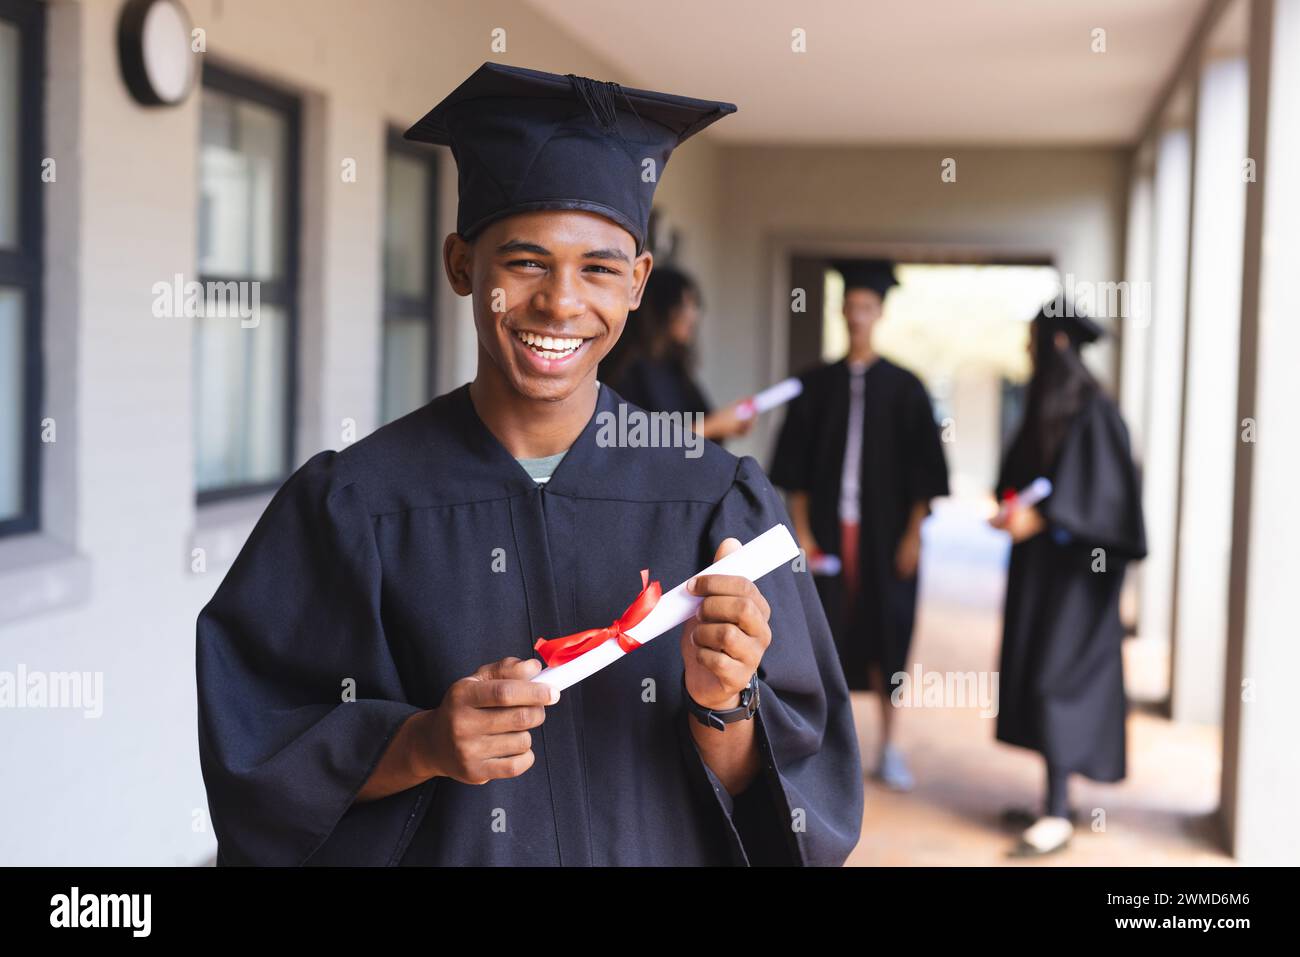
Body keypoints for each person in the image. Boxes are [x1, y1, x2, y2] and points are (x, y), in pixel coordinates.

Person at [195, 62, 863, 866]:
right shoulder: (355, 504)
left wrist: (725, 703)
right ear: (460, 265)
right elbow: (260, 758)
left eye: (600, 268)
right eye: (525, 262)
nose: (561, 301)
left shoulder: (715, 501)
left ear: (639, 283)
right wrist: (422, 742)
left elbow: (795, 806)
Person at [770, 260, 949, 793]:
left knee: (889, 630)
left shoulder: (907, 387)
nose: (858, 318)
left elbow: (926, 474)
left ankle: (889, 745)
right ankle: (821, 747)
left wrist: (914, 533)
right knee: (822, 633)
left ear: (880, 313)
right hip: (826, 529)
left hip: (886, 534)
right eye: (851, 309)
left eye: (867, 309)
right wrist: (801, 528)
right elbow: (793, 468)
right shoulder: (816, 385)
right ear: (842, 312)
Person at [990, 303, 1147, 857]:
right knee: (1036, 671)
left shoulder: (1094, 412)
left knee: (1056, 679)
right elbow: (1026, 479)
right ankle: (1051, 801)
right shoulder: (1046, 406)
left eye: (1034, 340)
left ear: (1057, 343)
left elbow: (1104, 505)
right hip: (1041, 575)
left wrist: (1049, 519)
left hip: (1081, 579)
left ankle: (1056, 814)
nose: (1027, 350)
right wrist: (1012, 508)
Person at [601, 265, 755, 442]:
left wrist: (726, 424)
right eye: (685, 304)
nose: (694, 315)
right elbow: (641, 444)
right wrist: (713, 426)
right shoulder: (625, 371)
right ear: (660, 308)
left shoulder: (675, 368)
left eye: (695, 305)